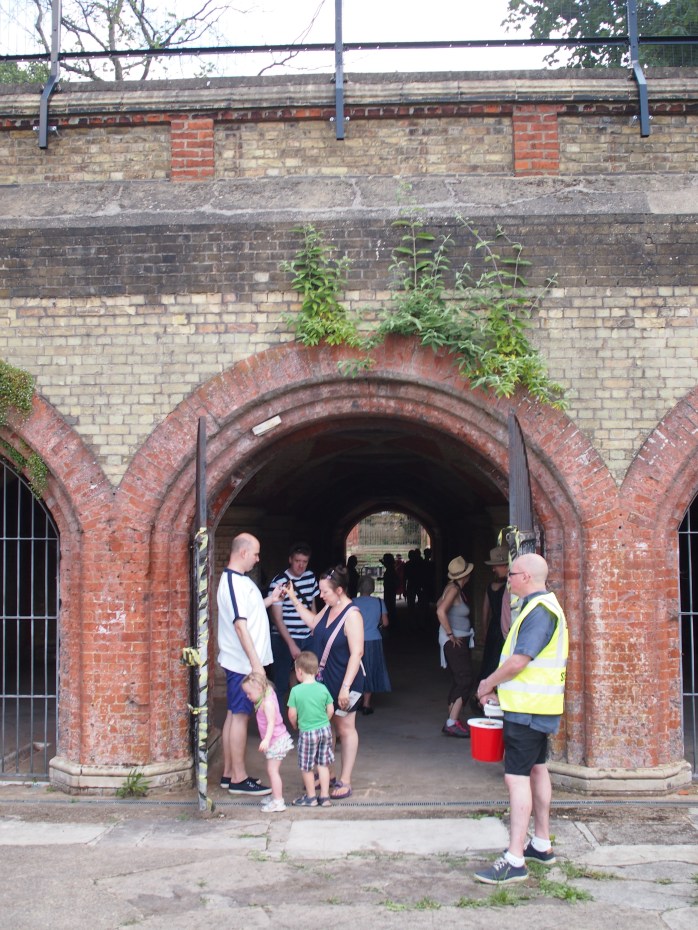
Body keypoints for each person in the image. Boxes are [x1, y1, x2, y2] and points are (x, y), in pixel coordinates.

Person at [474, 552, 569, 885]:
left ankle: (514, 857)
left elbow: (520, 661)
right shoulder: (540, 607)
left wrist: (487, 683)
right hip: (534, 706)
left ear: (526, 576)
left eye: (512, 574)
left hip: (528, 711)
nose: (508, 579)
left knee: (516, 778)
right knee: (537, 768)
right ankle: (540, 843)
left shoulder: (539, 611)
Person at [285, 564, 364, 800]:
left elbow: (357, 653)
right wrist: (292, 598)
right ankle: (327, 774)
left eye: (325, 592)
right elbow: (313, 623)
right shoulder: (328, 608)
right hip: (325, 678)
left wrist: (346, 687)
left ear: (339, 590)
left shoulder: (352, 615)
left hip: (345, 679)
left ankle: (345, 780)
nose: (321, 596)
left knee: (345, 728)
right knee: (326, 725)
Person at [217, 533, 287, 796]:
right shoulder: (233, 583)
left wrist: (271, 599)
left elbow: (251, 610)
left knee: (234, 715)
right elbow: (239, 624)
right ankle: (238, 777)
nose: (258, 559)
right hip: (243, 664)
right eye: (256, 553)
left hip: (243, 662)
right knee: (240, 717)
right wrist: (256, 665)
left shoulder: (240, 582)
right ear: (243, 553)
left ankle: (228, 774)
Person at [268, 542, 320, 702]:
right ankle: (277, 721)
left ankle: (303, 715)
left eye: (304, 562)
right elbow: (276, 617)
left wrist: (314, 625)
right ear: (290, 560)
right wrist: (291, 644)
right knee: (281, 682)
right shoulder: (279, 582)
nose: (301, 565)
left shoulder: (311, 577)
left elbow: (311, 603)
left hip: (307, 636)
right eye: (298, 561)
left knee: (310, 678)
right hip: (284, 639)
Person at [241, 671, 294, 812]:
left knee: (272, 770)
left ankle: (278, 801)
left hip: (277, 740)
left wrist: (266, 740)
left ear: (259, 689)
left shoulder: (267, 703)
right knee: (271, 770)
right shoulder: (267, 692)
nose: (247, 696)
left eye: (249, 693)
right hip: (276, 739)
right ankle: (276, 796)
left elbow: (271, 723)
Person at [287, 650, 335, 807]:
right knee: (323, 764)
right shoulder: (323, 688)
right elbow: (331, 710)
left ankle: (311, 797)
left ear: (299, 671)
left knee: (306, 766)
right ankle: (325, 797)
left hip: (308, 732)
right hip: (325, 730)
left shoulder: (296, 691)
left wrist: (295, 725)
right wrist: (324, 721)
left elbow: (292, 714)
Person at [435, 556, 475, 738]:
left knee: (459, 678)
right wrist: (451, 634)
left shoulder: (452, 588)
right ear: (465, 575)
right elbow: (440, 610)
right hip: (454, 640)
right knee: (464, 679)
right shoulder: (453, 590)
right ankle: (452, 722)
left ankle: (453, 716)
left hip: (458, 638)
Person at [352, 574, 391, 715]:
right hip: (374, 640)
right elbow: (385, 623)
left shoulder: (352, 602)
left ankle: (355, 701)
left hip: (355, 640)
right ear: (372, 588)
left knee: (355, 670)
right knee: (370, 669)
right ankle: (367, 704)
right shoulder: (379, 602)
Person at [477, 545, 510, 685]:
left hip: (493, 627)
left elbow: (485, 610)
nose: (493, 569)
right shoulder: (509, 586)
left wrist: (484, 630)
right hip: (504, 628)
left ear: (504, 565)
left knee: (490, 659)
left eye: (495, 565)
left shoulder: (490, 586)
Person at [379, 552, 397, 623]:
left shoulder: (390, 569)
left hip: (389, 588)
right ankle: (392, 619)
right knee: (391, 603)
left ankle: (390, 620)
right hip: (391, 588)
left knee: (389, 604)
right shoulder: (391, 567)